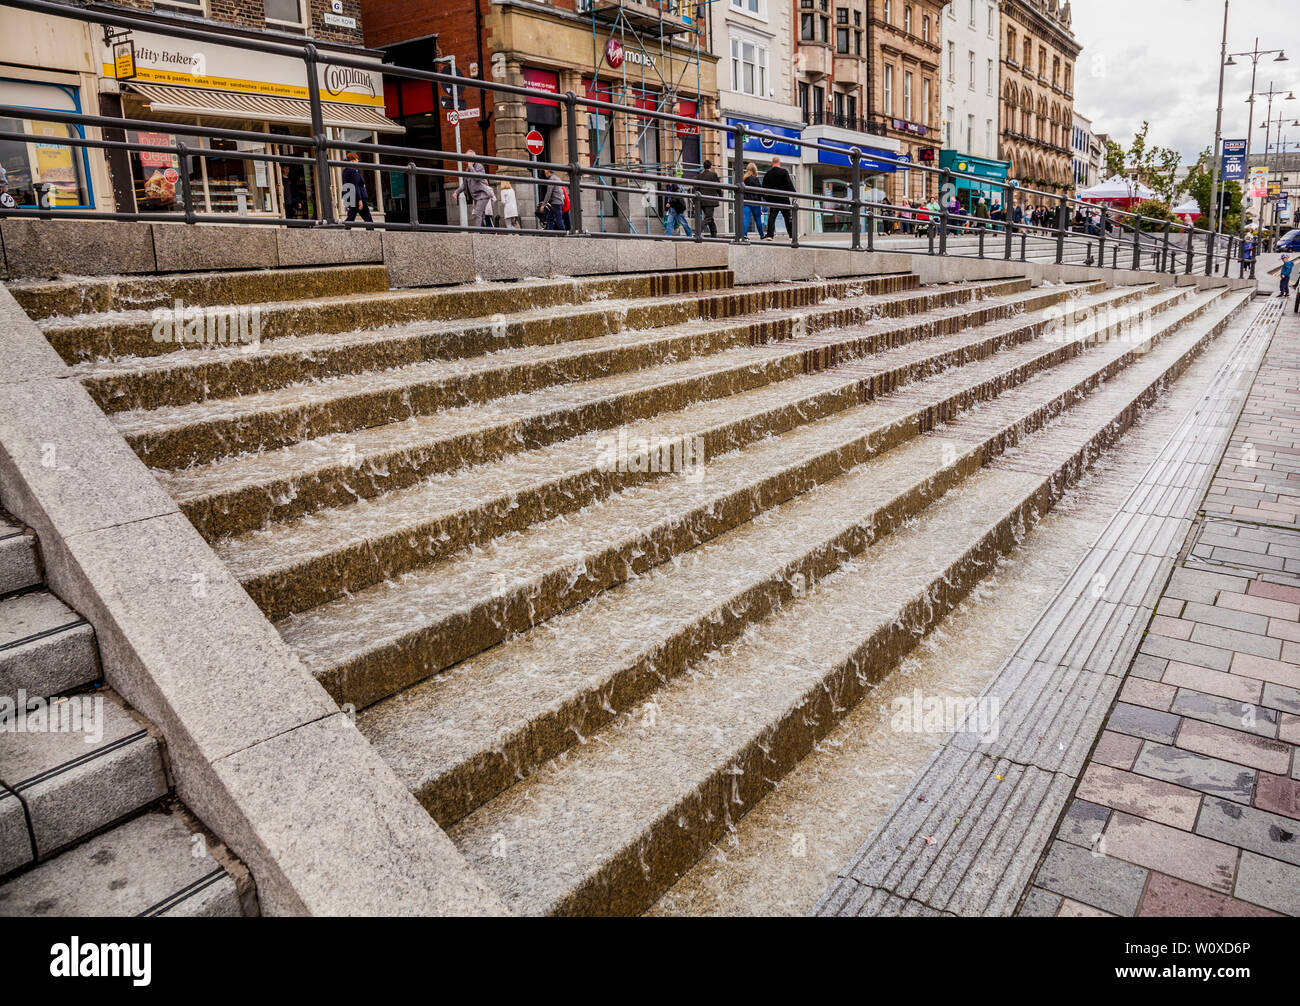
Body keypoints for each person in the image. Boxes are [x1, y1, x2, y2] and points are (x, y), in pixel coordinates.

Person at [454, 150, 494, 228]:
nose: (466, 159)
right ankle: (485, 234)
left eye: (467, 157)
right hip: (476, 196)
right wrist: (456, 192)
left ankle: (477, 234)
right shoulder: (468, 169)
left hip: (483, 194)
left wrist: (471, 167)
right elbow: (465, 184)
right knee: (481, 215)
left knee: (477, 214)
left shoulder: (479, 166)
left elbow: (477, 178)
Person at [762, 156, 796, 241]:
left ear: (772, 163)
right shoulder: (784, 172)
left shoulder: (768, 173)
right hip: (783, 198)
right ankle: (791, 235)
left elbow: (763, 188)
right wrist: (794, 194)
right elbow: (789, 184)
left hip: (773, 199)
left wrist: (767, 198)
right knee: (787, 217)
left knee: (772, 217)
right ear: (779, 163)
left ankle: (770, 235)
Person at [692, 159, 720, 237]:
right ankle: (698, 231)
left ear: (704, 167)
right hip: (710, 200)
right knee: (709, 217)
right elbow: (718, 186)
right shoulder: (714, 175)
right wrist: (721, 196)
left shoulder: (699, 176)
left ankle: (714, 233)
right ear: (711, 167)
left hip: (702, 200)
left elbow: (695, 188)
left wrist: (694, 201)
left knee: (710, 217)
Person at [740, 162, 765, 238]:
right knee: (758, 219)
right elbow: (760, 191)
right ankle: (761, 235)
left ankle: (744, 234)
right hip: (755, 202)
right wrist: (764, 198)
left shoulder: (743, 179)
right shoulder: (756, 179)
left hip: (746, 202)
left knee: (746, 218)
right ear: (755, 170)